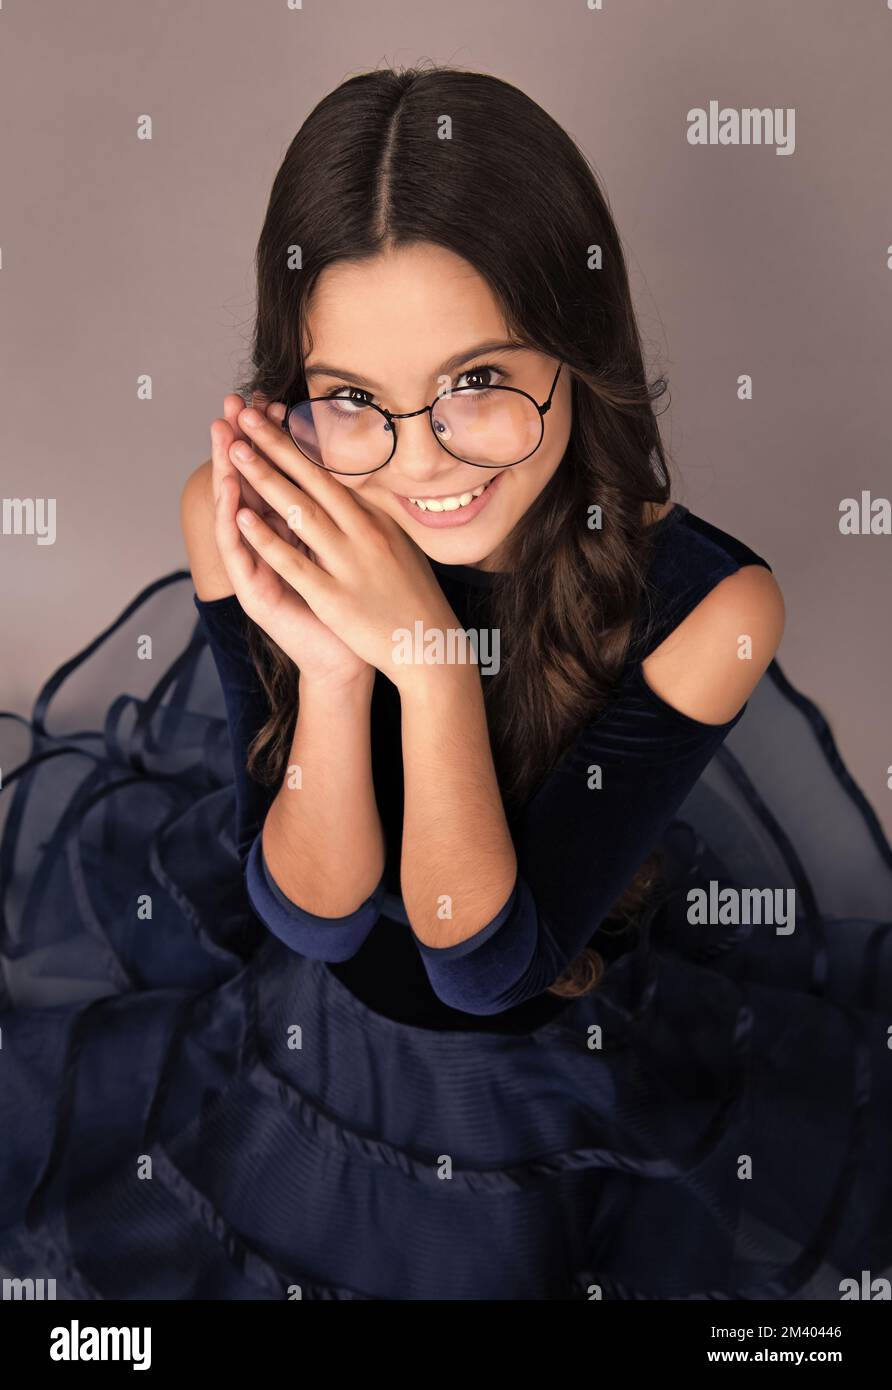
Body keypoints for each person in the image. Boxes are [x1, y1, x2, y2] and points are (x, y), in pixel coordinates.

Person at [1, 65, 890, 1301]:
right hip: (306, 1046)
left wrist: (426, 661)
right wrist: (327, 662)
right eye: (354, 401)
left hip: (546, 1070)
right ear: (293, 397)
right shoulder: (239, 514)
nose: (422, 465)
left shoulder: (712, 605)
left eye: (477, 382)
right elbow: (311, 916)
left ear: (577, 351)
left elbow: (480, 967)